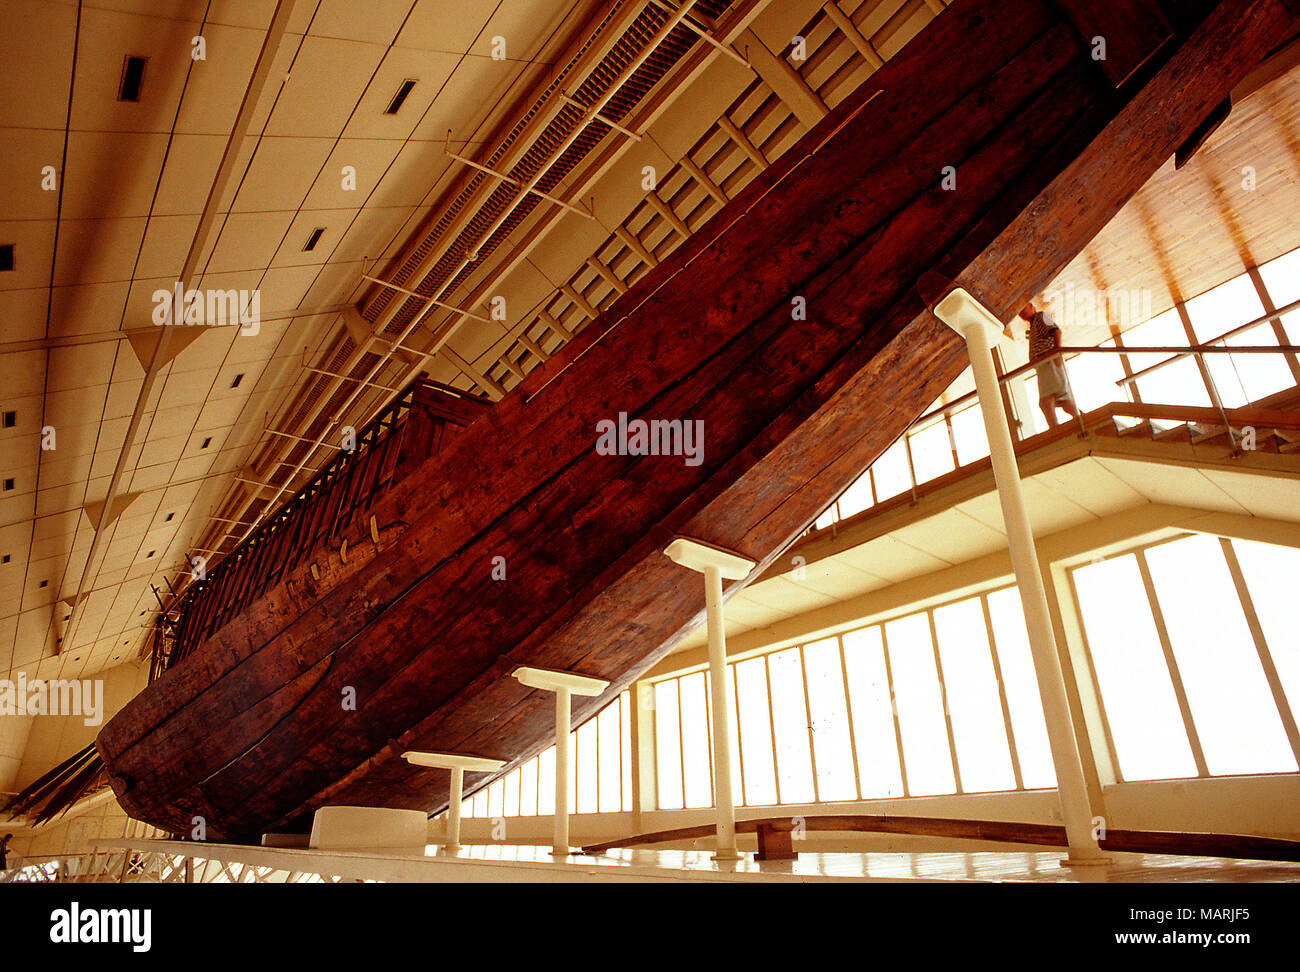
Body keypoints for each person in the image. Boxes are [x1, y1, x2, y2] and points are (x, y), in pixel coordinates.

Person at [1004, 299, 1079, 428]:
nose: (1021, 313)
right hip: (1044, 363)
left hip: (1048, 361)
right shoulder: (1033, 325)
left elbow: (1056, 331)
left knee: (1046, 402)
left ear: (1032, 307)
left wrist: (1056, 351)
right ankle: (1080, 420)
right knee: (1064, 401)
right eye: (1019, 311)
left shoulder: (1041, 316)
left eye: (1023, 308)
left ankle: (1055, 428)